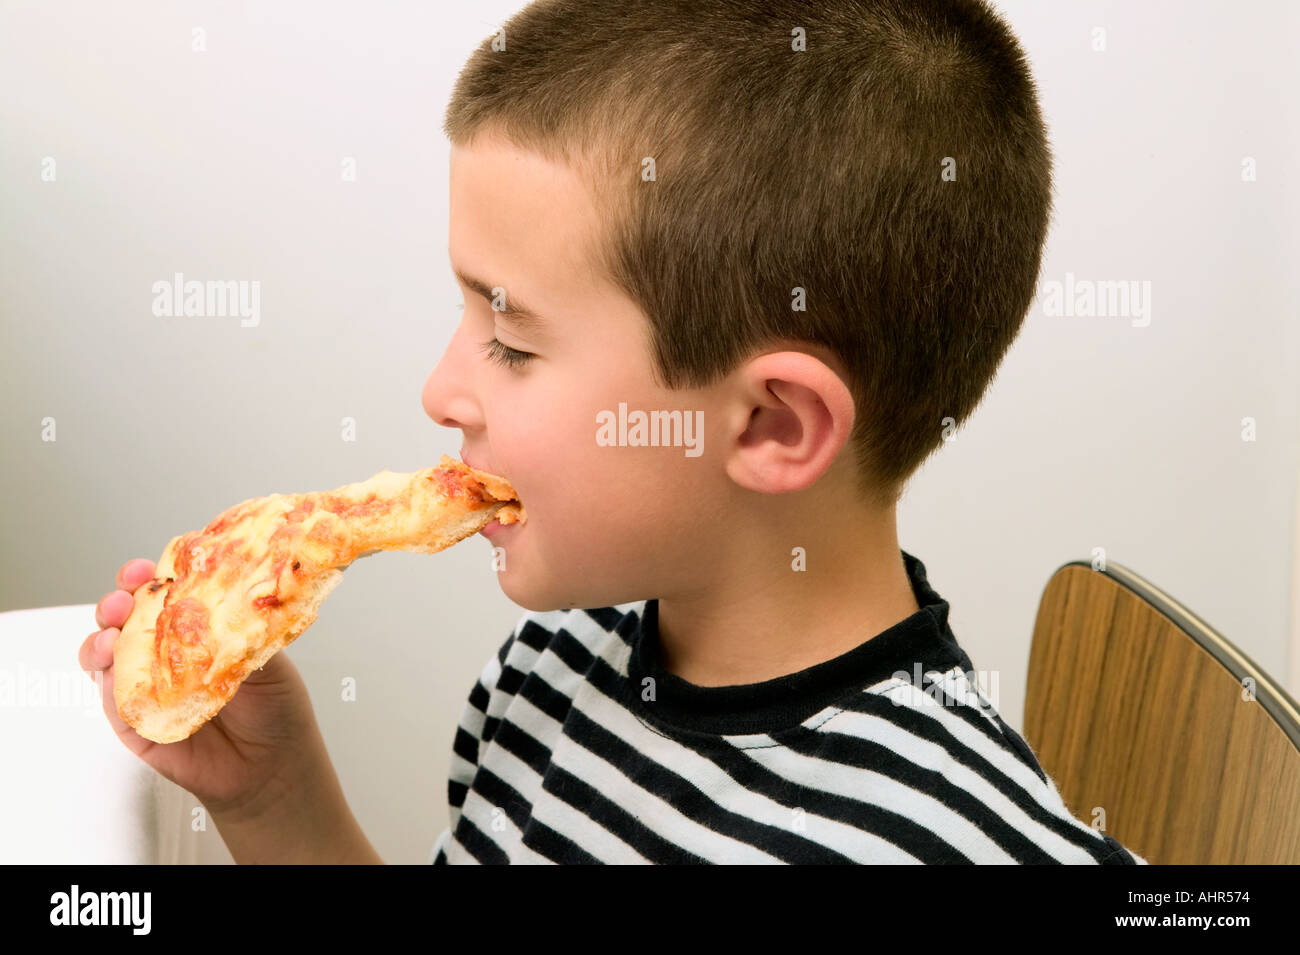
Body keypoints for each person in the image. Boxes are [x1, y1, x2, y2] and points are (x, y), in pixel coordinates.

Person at [81, 0, 1147, 864]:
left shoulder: (936, 840)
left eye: (512, 342)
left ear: (772, 425)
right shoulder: (561, 662)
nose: (439, 391)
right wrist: (279, 807)